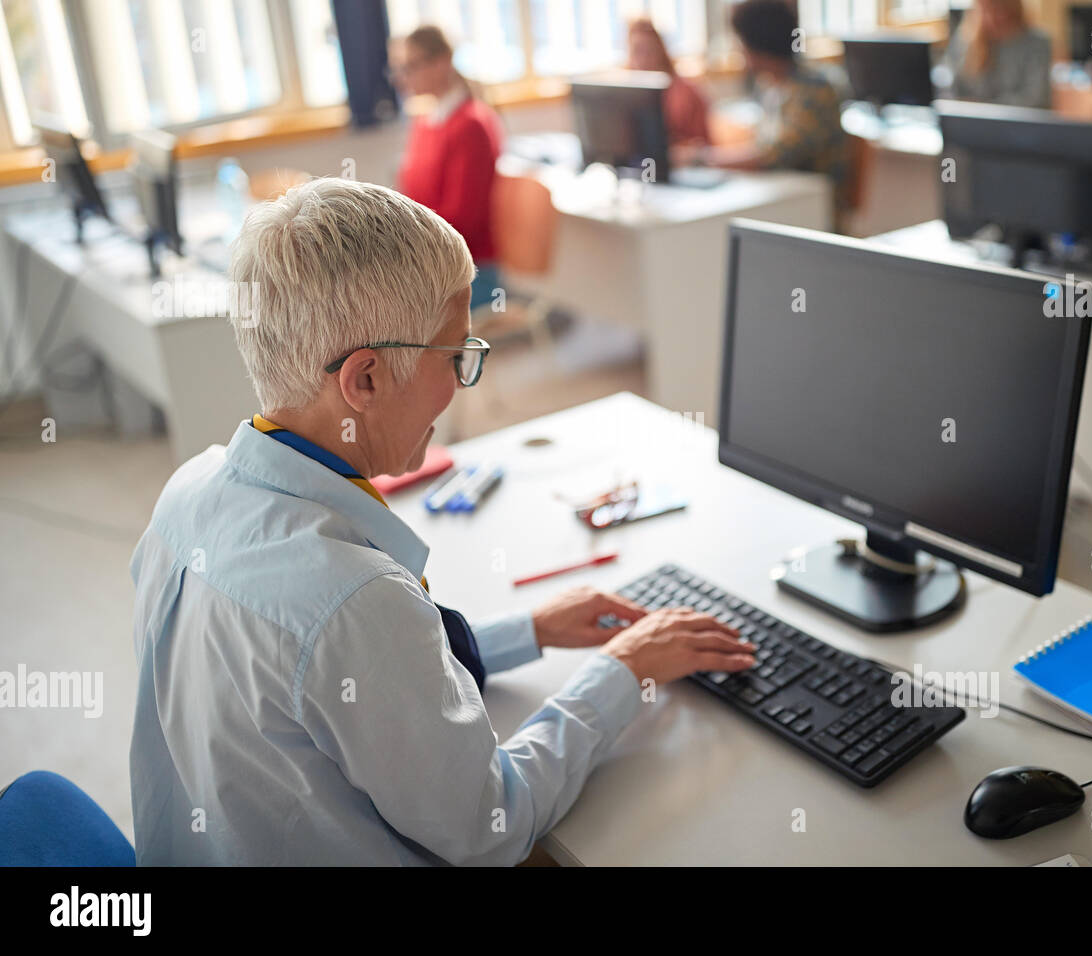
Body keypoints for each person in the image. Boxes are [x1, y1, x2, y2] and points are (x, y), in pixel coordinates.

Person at [128, 178, 758, 865]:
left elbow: (335, 684)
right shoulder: (354, 600)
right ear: (362, 381)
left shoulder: (184, 494)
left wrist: (528, 632)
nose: (462, 381)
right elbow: (492, 825)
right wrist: (620, 669)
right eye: (455, 356)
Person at [686, 0, 848, 210]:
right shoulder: (768, 85)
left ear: (758, 45)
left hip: (812, 207)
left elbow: (772, 156)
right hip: (779, 199)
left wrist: (701, 158)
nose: (739, 50)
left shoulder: (815, 89)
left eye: (741, 42)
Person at [393, 25, 504, 309]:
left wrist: (405, 249)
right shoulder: (426, 120)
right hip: (434, 261)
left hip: (467, 269)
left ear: (442, 62)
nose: (403, 78)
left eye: (411, 66)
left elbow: (462, 221)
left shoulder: (470, 124)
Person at [939, 0, 1052, 109]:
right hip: (970, 122)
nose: (995, 16)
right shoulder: (966, 39)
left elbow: (1035, 100)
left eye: (1001, 9)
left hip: (1016, 124)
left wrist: (981, 107)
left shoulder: (1036, 43)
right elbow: (947, 83)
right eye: (987, 9)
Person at [627, 17, 711, 146]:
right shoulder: (627, 93)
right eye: (637, 51)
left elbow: (703, 146)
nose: (643, 59)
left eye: (648, 50)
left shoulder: (687, 92)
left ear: (661, 50)